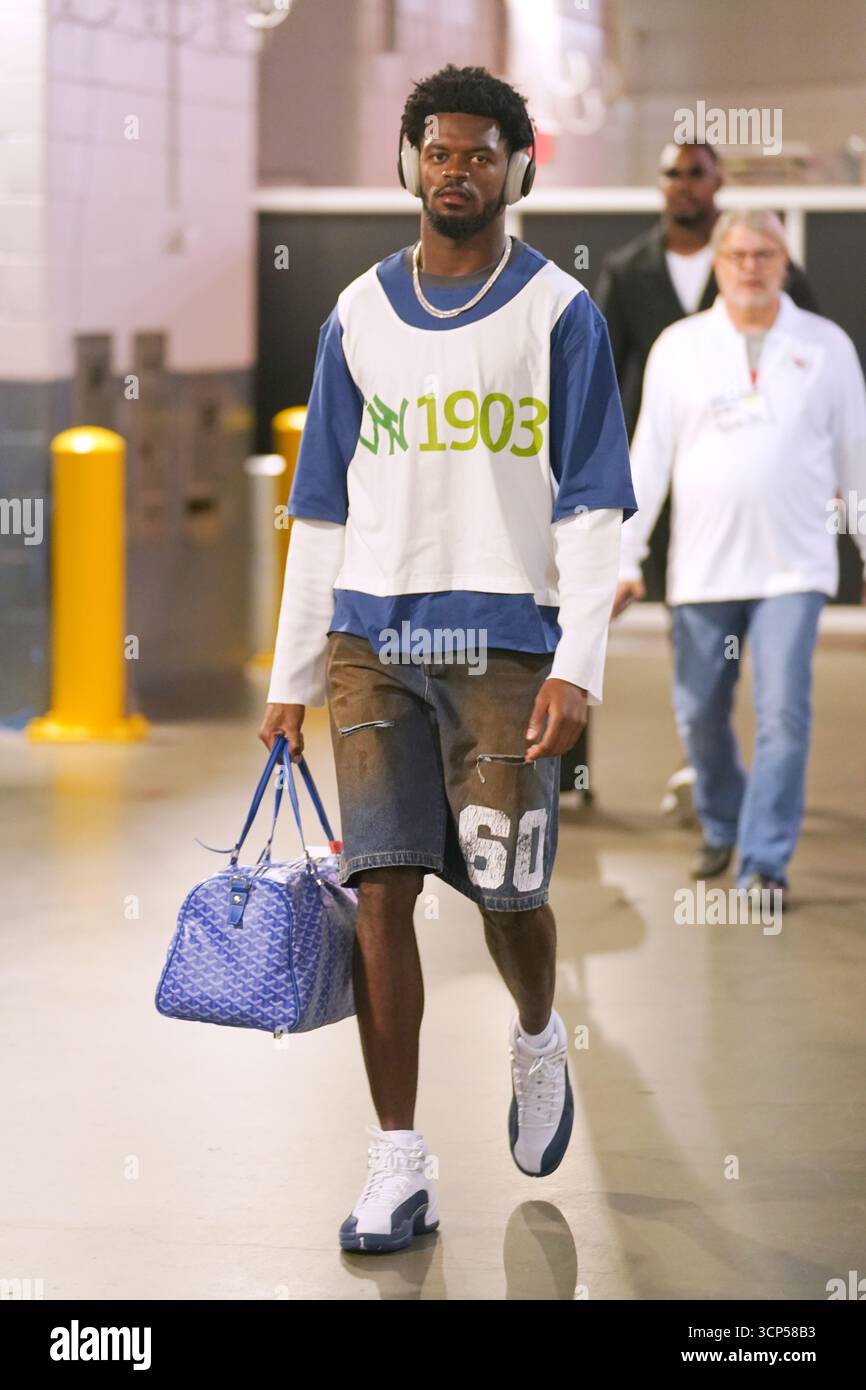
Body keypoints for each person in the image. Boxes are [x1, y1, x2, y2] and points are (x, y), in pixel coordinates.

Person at [258, 64, 636, 1253]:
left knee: (506, 886)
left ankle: (535, 1032)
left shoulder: (556, 314)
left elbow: (590, 511)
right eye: (437, 149)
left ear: (519, 169)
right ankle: (398, 1162)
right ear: (409, 162)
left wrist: (581, 661)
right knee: (381, 884)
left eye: (480, 152)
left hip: (506, 648)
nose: (455, 169)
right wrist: (289, 674)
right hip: (375, 641)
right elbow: (317, 505)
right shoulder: (357, 313)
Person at [612, 209, 866, 900]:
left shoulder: (826, 346)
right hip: (702, 570)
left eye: (765, 254)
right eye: (739, 254)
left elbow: (857, 461)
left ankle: (763, 863)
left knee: (785, 711)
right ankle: (723, 821)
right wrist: (626, 558)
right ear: (718, 263)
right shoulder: (679, 347)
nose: (751, 266)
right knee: (699, 713)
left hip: (795, 567)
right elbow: (649, 459)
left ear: (785, 264)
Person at [593, 143, 820, 823]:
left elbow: (815, 358)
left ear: (717, 181)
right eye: (672, 173)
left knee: (780, 681)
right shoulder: (628, 268)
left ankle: (737, 799)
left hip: (754, 482)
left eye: (696, 172)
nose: (683, 185)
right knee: (682, 631)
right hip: (657, 472)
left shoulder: (773, 270)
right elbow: (603, 375)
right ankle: (696, 762)